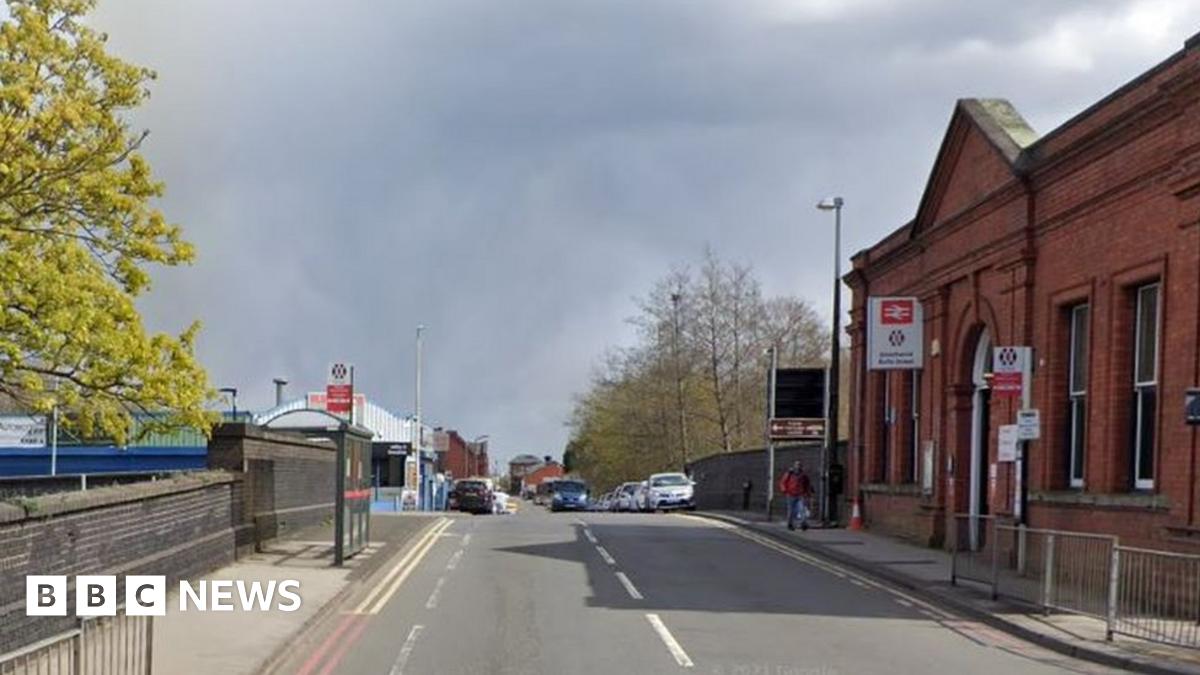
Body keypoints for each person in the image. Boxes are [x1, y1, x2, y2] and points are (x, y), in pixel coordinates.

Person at [778, 461, 812, 531]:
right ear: (794, 466)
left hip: (801, 494)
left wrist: (808, 493)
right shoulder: (789, 474)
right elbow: (783, 482)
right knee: (791, 511)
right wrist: (784, 490)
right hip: (791, 494)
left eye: (799, 465)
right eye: (797, 465)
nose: (798, 466)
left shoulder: (803, 475)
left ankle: (803, 524)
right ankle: (790, 524)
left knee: (802, 509)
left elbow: (807, 484)